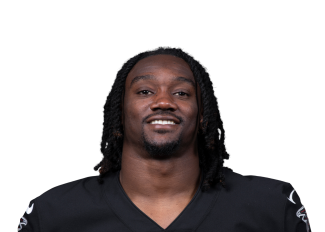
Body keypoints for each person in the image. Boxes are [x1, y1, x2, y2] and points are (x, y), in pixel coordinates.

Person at [18, 47, 311, 231]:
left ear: (203, 114)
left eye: (181, 93)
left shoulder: (272, 206)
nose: (163, 102)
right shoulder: (53, 214)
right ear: (119, 112)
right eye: (145, 91)